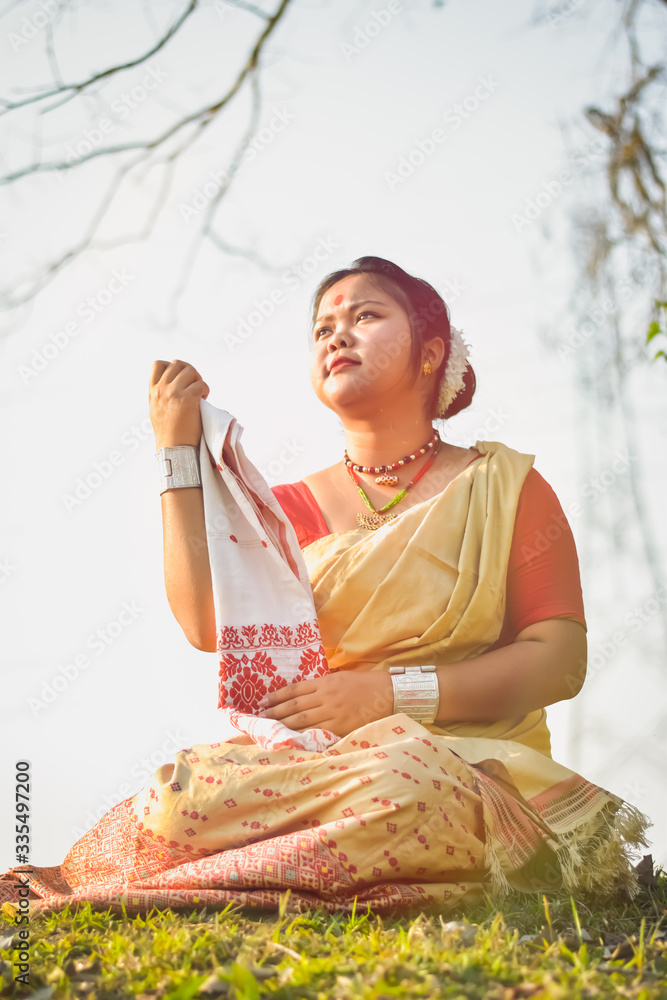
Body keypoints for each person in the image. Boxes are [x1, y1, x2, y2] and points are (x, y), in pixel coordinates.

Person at [0, 256, 649, 916]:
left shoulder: (504, 487)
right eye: (321, 328)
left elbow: (558, 660)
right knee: (177, 798)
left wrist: (389, 693)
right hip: (317, 770)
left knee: (407, 785)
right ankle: (296, 872)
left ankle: (252, 878)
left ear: (431, 354)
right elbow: (205, 624)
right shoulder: (283, 510)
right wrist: (176, 452)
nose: (336, 334)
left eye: (365, 315)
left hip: (458, 768)